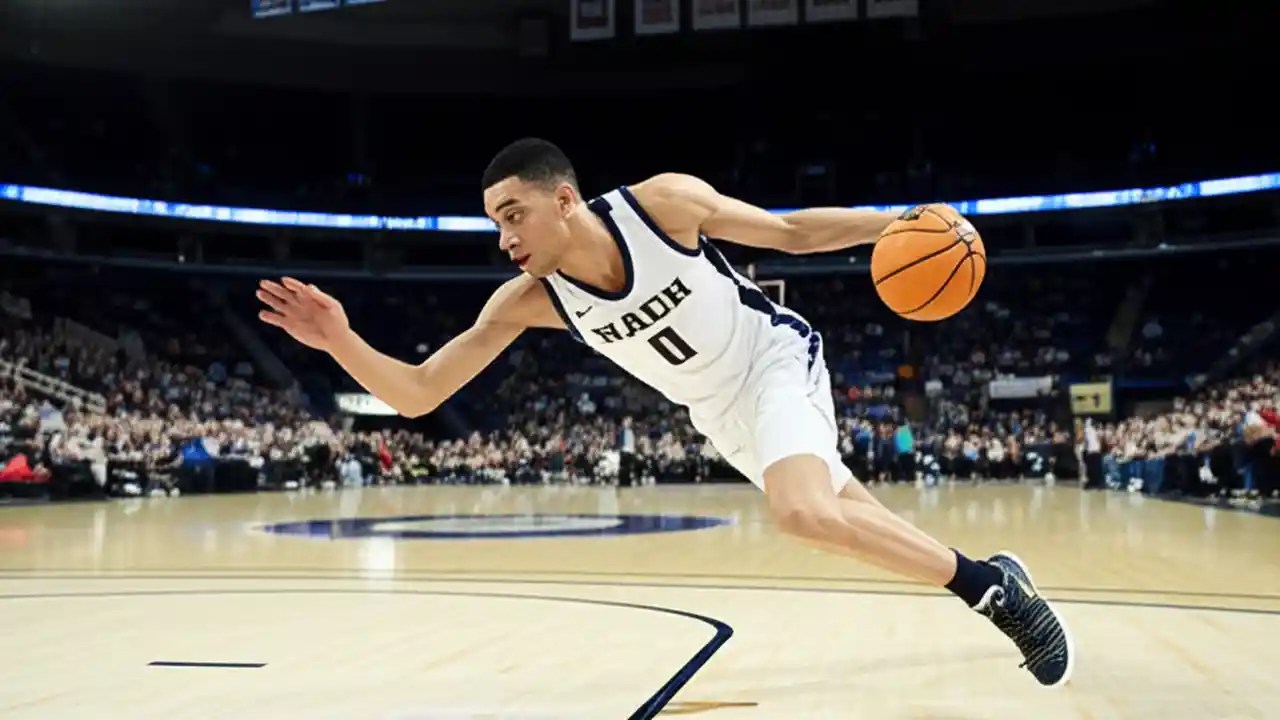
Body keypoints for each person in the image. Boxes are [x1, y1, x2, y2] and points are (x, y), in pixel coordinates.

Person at [255, 137, 1074, 686]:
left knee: (801, 512)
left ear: (564, 199)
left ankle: (996, 597)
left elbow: (788, 235)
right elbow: (418, 393)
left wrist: (900, 223)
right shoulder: (529, 300)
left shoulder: (662, 206)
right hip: (717, 415)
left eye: (514, 215)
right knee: (852, 521)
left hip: (773, 359)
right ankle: (991, 572)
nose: (504, 238)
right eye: (494, 224)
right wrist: (338, 339)